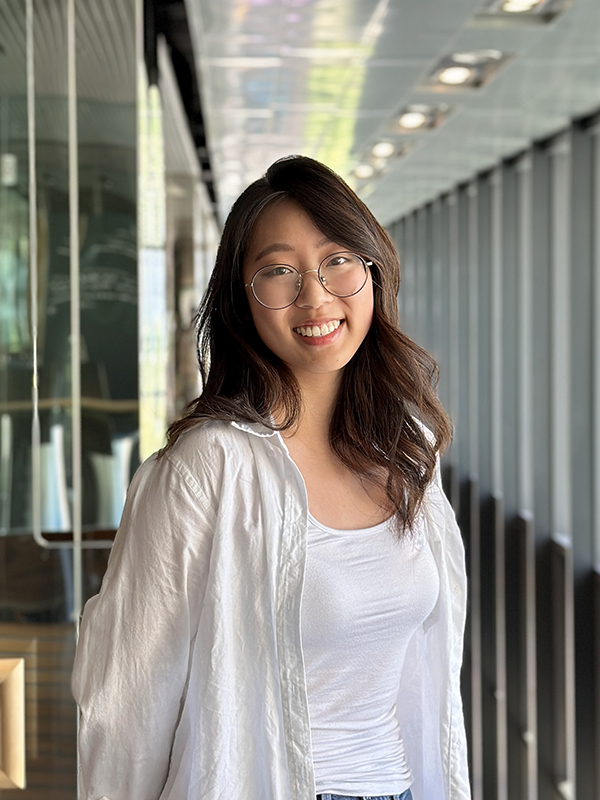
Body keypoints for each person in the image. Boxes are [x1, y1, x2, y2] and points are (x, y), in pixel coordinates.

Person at [72, 155, 470, 800]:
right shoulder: (205, 470)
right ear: (241, 298)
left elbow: (427, 681)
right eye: (278, 272)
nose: (315, 296)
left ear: (373, 269)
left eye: (338, 260)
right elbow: (124, 703)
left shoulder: (408, 450)